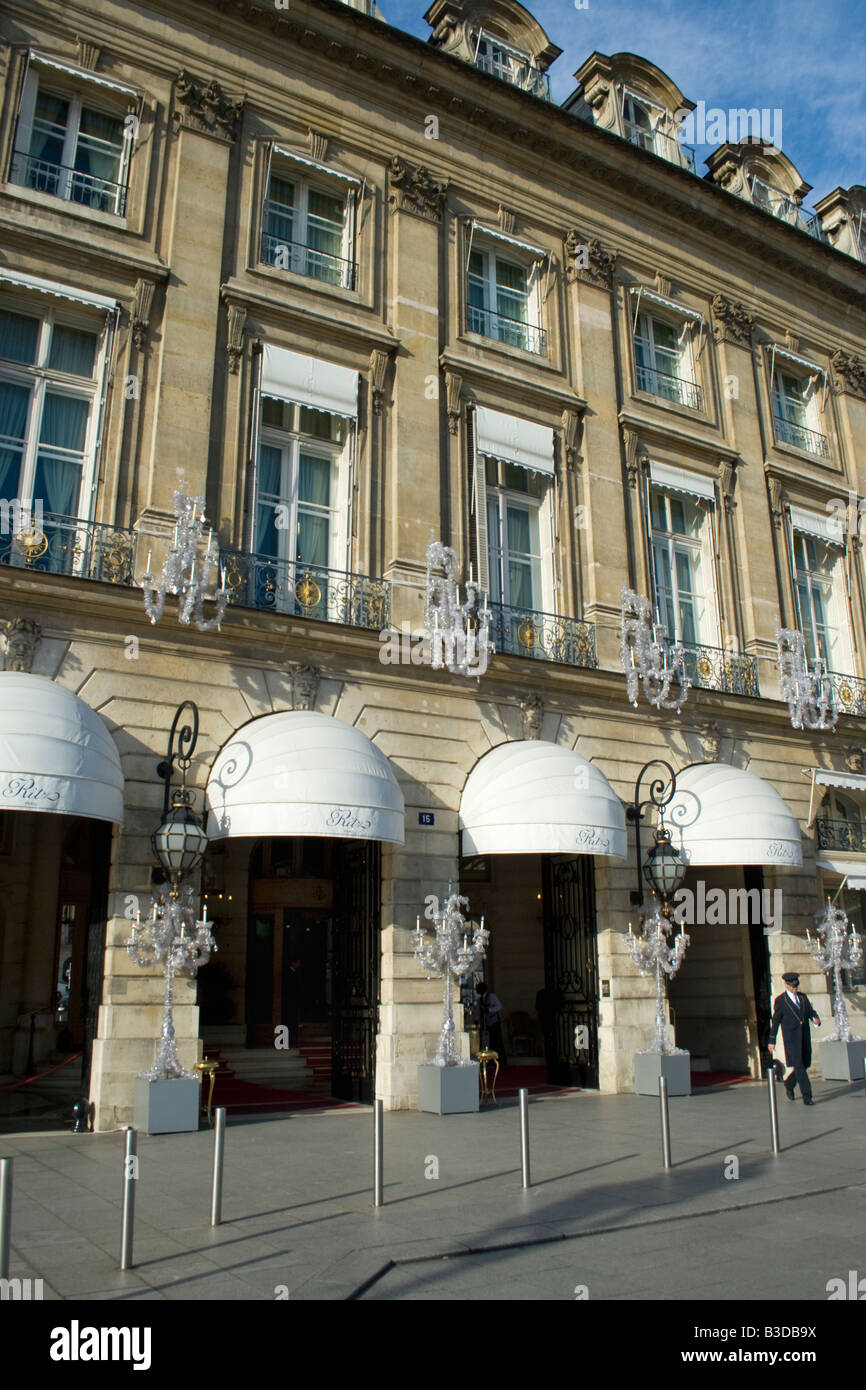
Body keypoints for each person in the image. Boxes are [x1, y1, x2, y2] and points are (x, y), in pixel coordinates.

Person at [768, 971, 821, 1106]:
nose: (795, 988)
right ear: (786, 985)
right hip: (791, 1039)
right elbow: (776, 1021)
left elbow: (810, 1011)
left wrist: (815, 1018)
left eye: (796, 986)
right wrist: (772, 1040)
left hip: (804, 1037)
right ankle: (807, 1096)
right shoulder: (781, 1001)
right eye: (792, 986)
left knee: (804, 1064)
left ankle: (789, 1083)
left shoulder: (803, 998)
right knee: (799, 1066)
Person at [476, 981, 507, 1065]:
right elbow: (479, 1012)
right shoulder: (480, 1000)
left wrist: (489, 1010)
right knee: (488, 1043)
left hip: (494, 1022)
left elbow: (499, 1006)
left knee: (497, 1042)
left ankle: (501, 1061)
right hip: (486, 1024)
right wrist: (478, 1021)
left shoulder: (491, 996)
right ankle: (490, 1061)